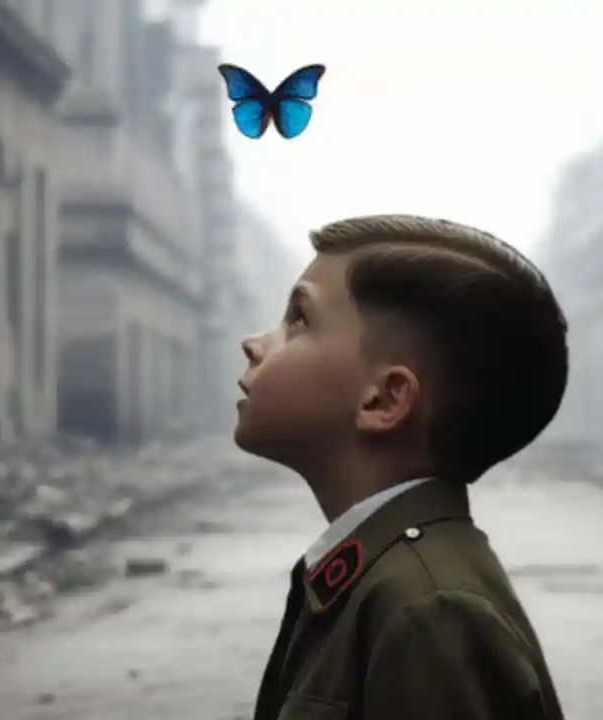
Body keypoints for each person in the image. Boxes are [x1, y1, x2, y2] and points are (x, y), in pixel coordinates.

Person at [236, 214, 570, 720]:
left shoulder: (429, 613)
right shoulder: (381, 582)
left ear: (384, 400)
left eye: (299, 320)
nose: (254, 343)